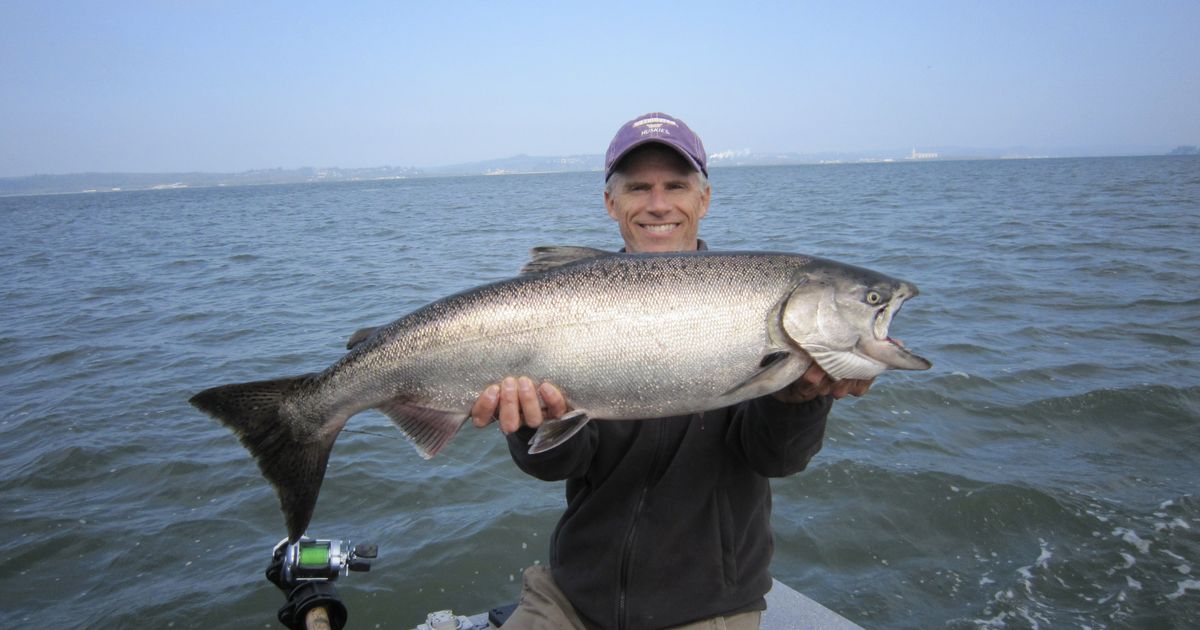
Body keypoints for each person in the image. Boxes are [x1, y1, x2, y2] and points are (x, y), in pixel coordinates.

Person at [467, 113, 872, 630]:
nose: (658, 204)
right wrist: (530, 420)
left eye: (675, 186)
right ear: (611, 203)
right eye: (639, 188)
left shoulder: (752, 306)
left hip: (707, 607)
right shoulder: (566, 302)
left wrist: (802, 400)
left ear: (704, 198)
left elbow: (775, 458)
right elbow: (558, 465)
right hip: (570, 596)